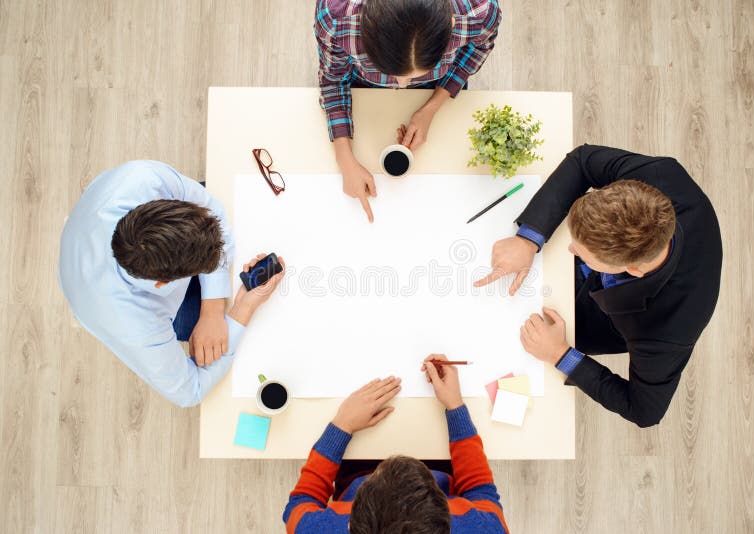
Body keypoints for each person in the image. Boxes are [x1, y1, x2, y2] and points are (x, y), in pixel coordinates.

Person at [474, 145, 723, 428]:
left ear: (633, 269)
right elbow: (583, 161)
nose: (569, 249)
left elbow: (645, 412)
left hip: (599, 320)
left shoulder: (666, 332)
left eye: (582, 252)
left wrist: (561, 354)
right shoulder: (660, 176)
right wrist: (529, 239)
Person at [58, 160, 285, 407]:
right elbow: (190, 392)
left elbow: (212, 210)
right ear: (163, 284)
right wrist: (243, 307)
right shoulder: (135, 324)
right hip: (93, 293)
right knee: (201, 343)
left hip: (90, 240)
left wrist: (213, 310)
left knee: (215, 192)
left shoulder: (144, 179)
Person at [315, 0, 502, 222]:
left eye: (416, 74)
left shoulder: (479, 12)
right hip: (363, 88)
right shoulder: (336, 18)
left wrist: (432, 107)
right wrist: (344, 158)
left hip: (439, 86)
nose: (403, 85)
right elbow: (334, 80)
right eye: (393, 72)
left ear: (452, 25)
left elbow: (477, 49)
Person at [283, 355, 508, 532]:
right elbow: (480, 491)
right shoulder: (484, 528)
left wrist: (342, 425)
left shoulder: (317, 529)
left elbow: (302, 501)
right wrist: (455, 407)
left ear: (350, 524)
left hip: (352, 473)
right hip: (444, 468)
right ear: (446, 516)